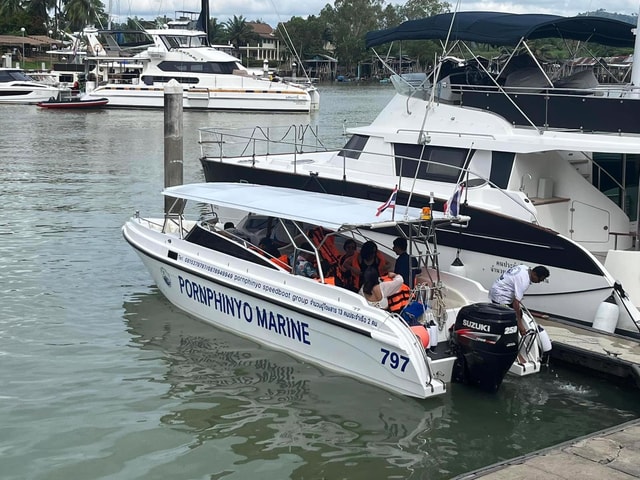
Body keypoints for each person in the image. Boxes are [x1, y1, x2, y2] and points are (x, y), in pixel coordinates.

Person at [489, 265, 550, 335]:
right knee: (511, 317)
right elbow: (516, 303)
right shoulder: (524, 281)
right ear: (534, 274)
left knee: (519, 313)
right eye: (539, 280)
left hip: (498, 288)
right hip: (500, 296)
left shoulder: (524, 267)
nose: (539, 282)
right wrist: (520, 325)